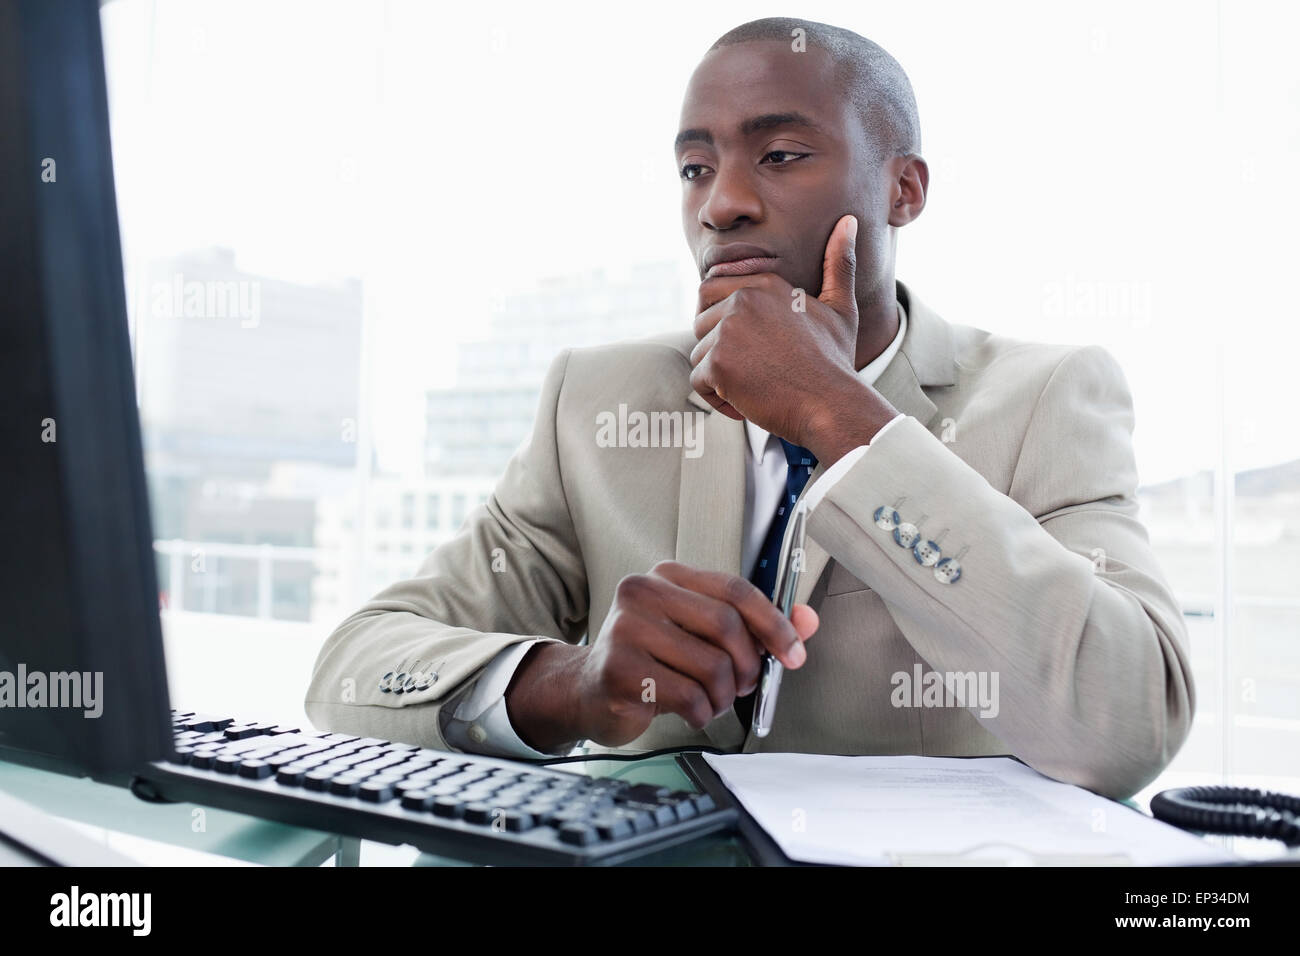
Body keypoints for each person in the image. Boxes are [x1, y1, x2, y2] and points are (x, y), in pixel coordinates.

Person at [305, 17, 1194, 801]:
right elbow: (353, 670)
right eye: (696, 168)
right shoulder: (598, 401)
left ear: (904, 191)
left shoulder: (1045, 397)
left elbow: (1130, 722)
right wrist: (573, 685)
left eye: (780, 156)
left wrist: (838, 416)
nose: (721, 204)